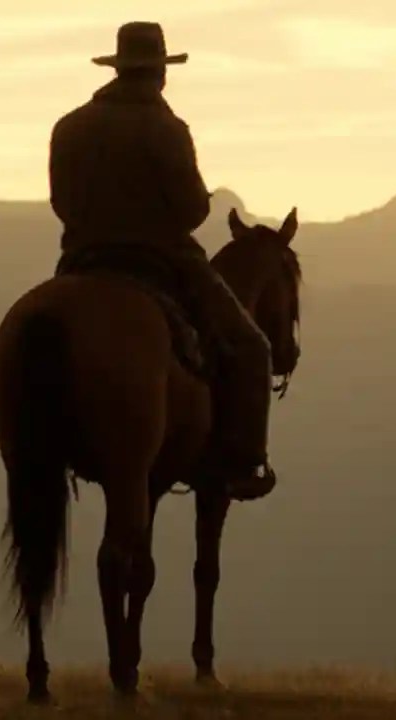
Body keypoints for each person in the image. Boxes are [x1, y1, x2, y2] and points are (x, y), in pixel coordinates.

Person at [48, 21, 276, 500]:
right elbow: (193, 210)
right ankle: (241, 463)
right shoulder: (168, 128)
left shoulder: (68, 127)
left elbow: (62, 204)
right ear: (159, 73)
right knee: (253, 348)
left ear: (119, 67)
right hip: (158, 255)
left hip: (82, 257)